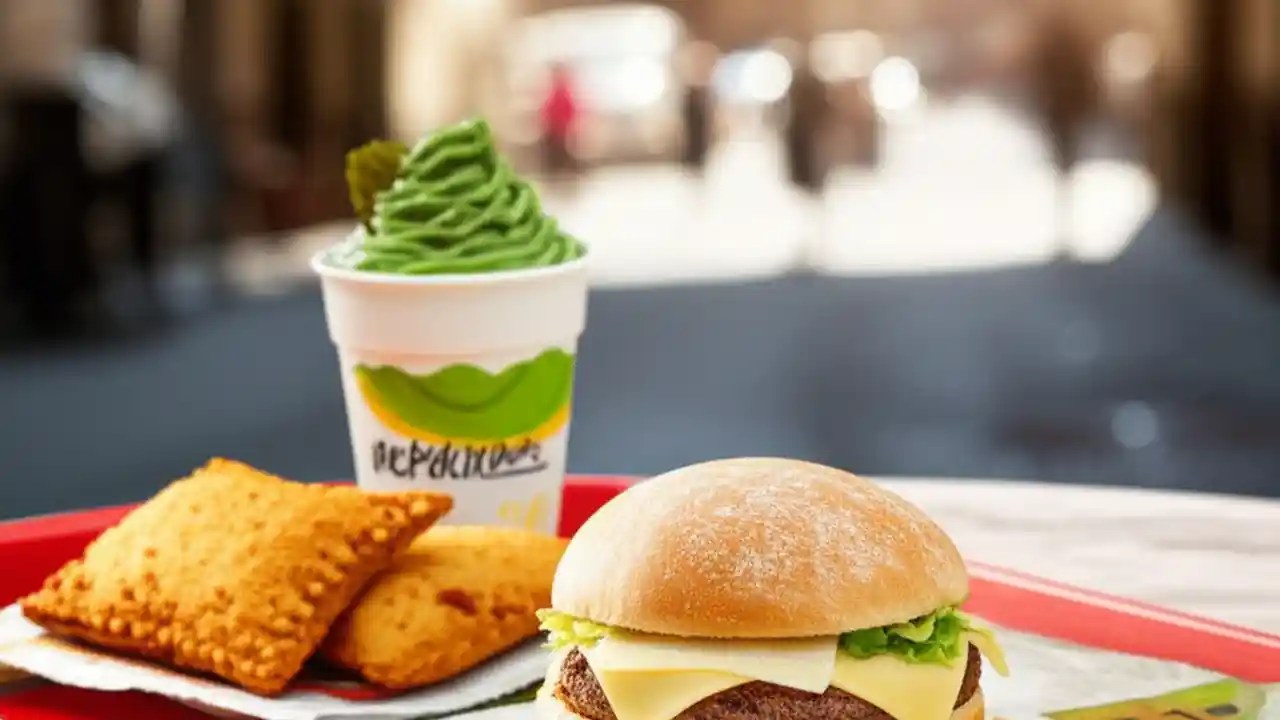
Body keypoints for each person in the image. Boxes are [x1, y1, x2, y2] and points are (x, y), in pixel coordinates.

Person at [539, 63, 580, 178]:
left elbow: (569, 111)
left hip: (563, 130)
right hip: (553, 129)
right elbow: (547, 111)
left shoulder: (564, 93)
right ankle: (556, 173)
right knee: (553, 154)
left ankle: (566, 173)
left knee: (563, 153)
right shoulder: (554, 93)